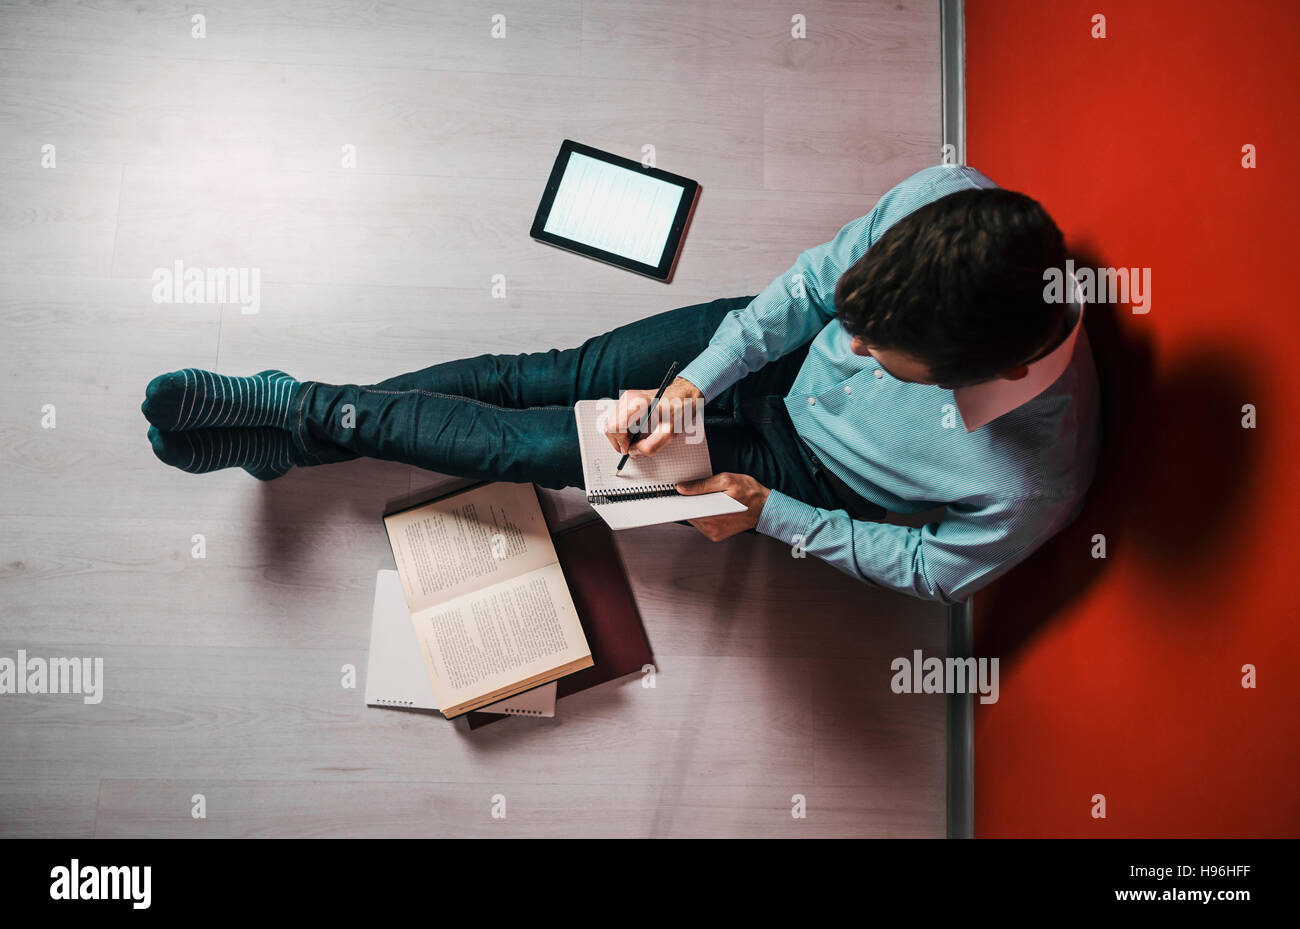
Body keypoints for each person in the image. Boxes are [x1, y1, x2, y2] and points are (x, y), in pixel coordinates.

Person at [141, 164, 1099, 604]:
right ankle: (299, 428)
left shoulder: (1031, 485)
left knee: (535, 447)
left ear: (995, 373)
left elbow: (933, 571)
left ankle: (299, 413)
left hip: (785, 472)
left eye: (884, 353)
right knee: (543, 376)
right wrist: (700, 375)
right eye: (864, 324)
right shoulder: (946, 203)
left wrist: (767, 511)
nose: (852, 345)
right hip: (752, 353)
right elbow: (813, 291)